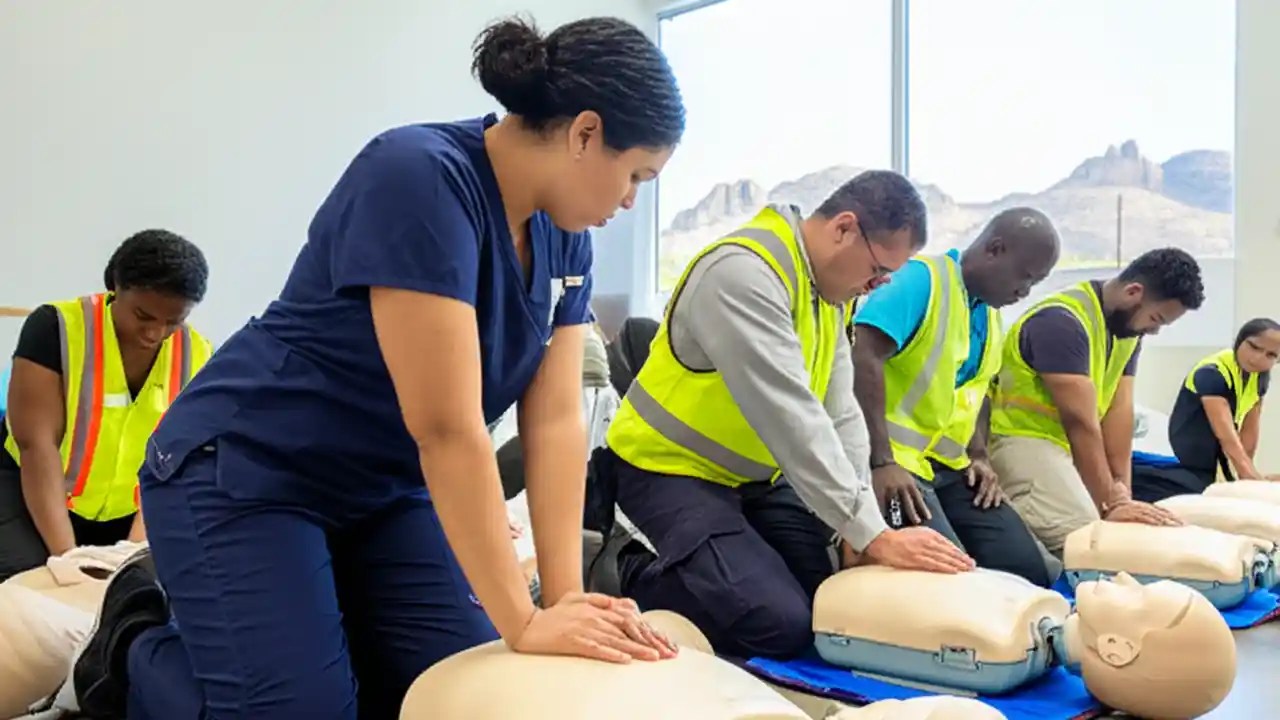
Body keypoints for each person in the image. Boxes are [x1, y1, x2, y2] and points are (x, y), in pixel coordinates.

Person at [68, 16, 687, 720]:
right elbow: (448, 429)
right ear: (584, 134)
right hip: (246, 471)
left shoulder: (566, 238)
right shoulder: (418, 176)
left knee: (454, 691)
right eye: (635, 174)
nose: (632, 199)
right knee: (304, 711)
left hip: (384, 490)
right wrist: (524, 619)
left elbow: (551, 422)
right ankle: (133, 643)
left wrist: (567, 599)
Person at [601, 171, 975, 661]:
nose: (877, 285)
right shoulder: (743, 275)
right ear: (843, 229)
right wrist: (872, 533)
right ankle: (620, 566)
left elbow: (840, 415)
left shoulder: (829, 295)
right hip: (666, 470)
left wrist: (856, 526)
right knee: (778, 624)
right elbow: (792, 419)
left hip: (753, 478)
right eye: (879, 269)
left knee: (828, 602)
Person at [851, 208, 1060, 587]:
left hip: (949, 469)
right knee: (950, 580)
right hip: (892, 469)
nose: (1024, 292)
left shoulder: (990, 314)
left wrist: (979, 456)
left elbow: (976, 392)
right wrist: (880, 461)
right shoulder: (921, 280)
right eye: (1024, 278)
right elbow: (863, 353)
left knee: (1030, 572)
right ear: (995, 249)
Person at [0, 230, 211, 581]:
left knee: (139, 589)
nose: (154, 333)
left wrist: (130, 555)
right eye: (143, 315)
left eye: (173, 322)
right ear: (116, 287)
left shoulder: (197, 354)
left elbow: (172, 463)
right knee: (31, 581)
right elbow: (37, 446)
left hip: (127, 512)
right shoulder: (57, 327)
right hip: (31, 491)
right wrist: (67, 558)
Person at [988, 248, 1206, 555]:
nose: (1154, 330)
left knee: (1124, 527)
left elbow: (1119, 410)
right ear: (1133, 292)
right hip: (1024, 442)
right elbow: (1081, 423)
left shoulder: (1127, 331)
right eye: (1156, 318)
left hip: (1071, 447)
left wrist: (1122, 494)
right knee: (1088, 539)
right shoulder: (1060, 323)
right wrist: (1108, 503)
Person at [1133, 318, 1280, 500]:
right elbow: (1225, 434)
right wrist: (1249, 477)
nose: (1259, 358)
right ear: (1240, 340)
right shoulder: (1212, 373)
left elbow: (1249, 431)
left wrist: (1248, 477)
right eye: (1254, 347)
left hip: (1208, 461)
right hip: (1183, 457)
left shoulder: (1259, 378)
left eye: (1271, 355)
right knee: (1197, 492)